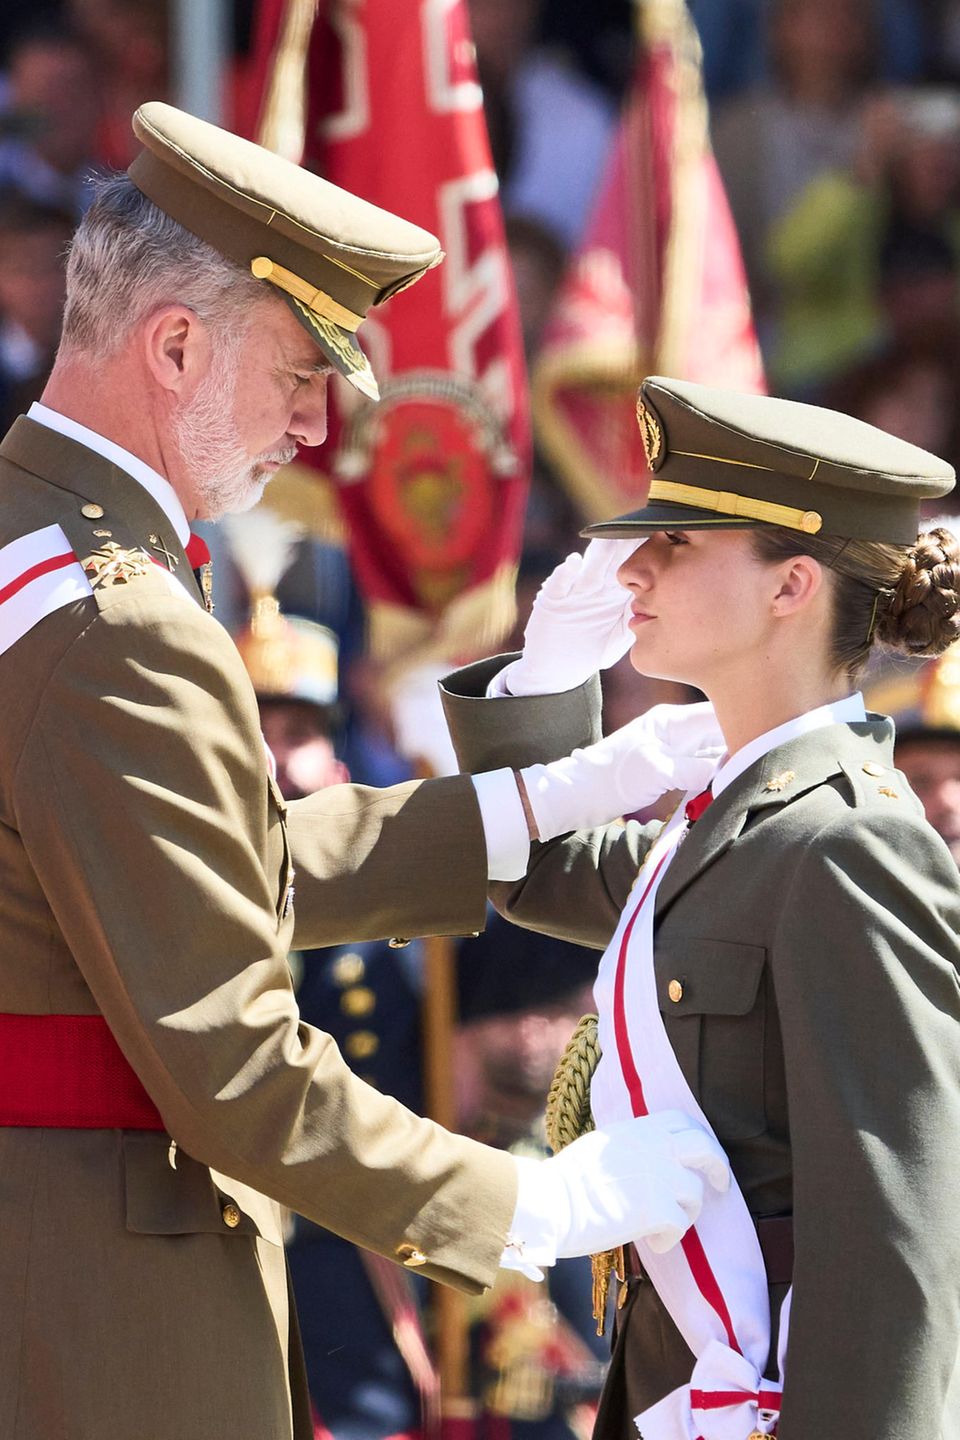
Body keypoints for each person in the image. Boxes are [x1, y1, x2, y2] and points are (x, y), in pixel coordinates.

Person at [0, 103, 729, 1440]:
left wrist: (528, 802)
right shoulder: (119, 624)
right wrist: (534, 1208)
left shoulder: (42, 550)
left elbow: (204, 876)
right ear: (174, 346)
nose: (316, 427)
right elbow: (228, 1052)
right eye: (298, 374)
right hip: (95, 1300)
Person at [440, 374, 960, 1439]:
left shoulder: (848, 840)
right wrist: (544, 684)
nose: (634, 567)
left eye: (678, 542)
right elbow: (533, 864)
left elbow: (891, 1247)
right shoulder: (741, 823)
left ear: (790, 586)